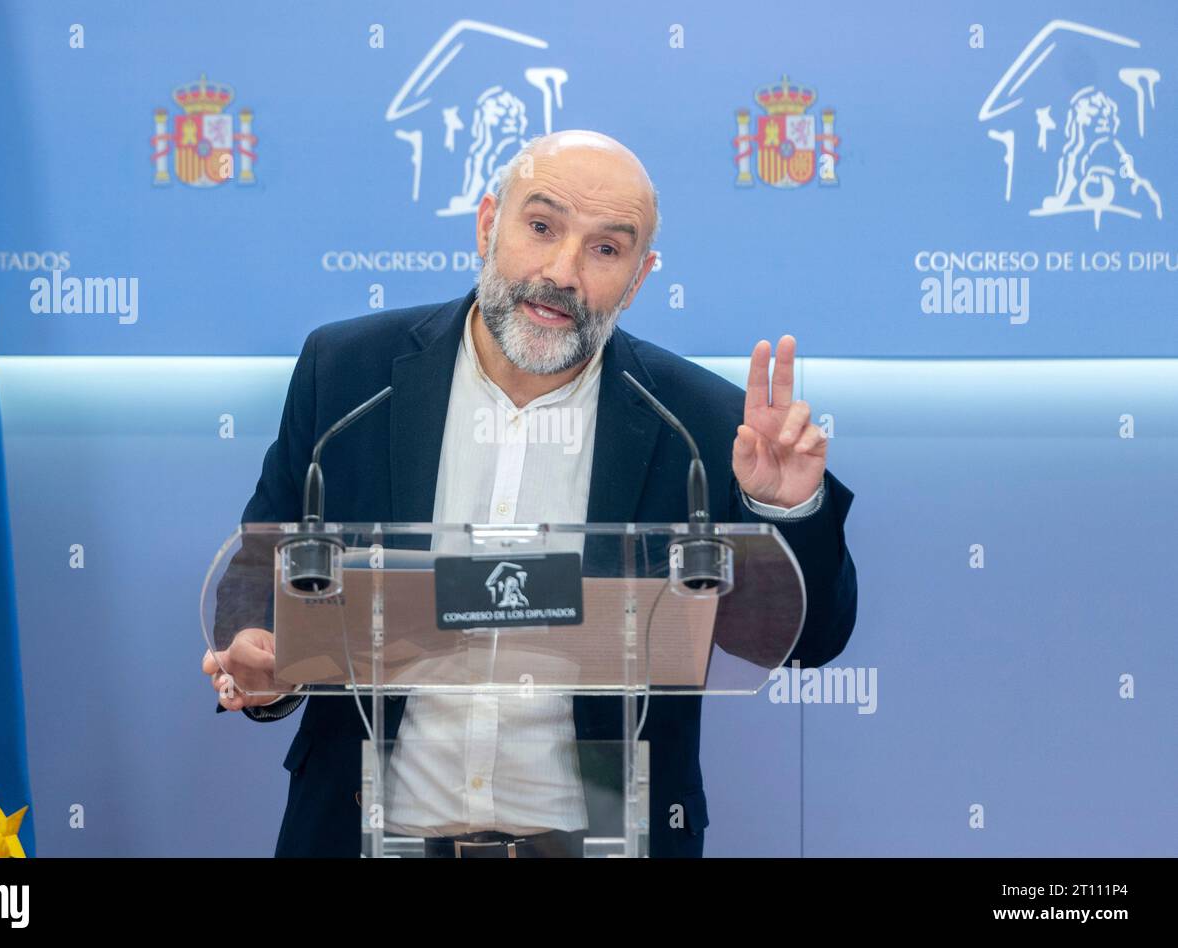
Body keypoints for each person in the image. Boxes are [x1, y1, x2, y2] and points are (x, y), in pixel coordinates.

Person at [202, 130, 857, 857]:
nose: (562, 271)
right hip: (363, 836)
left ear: (638, 280)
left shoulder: (697, 421)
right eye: (541, 227)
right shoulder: (351, 374)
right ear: (488, 224)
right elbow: (261, 569)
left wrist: (784, 510)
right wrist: (261, 658)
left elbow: (805, 640)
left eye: (606, 249)